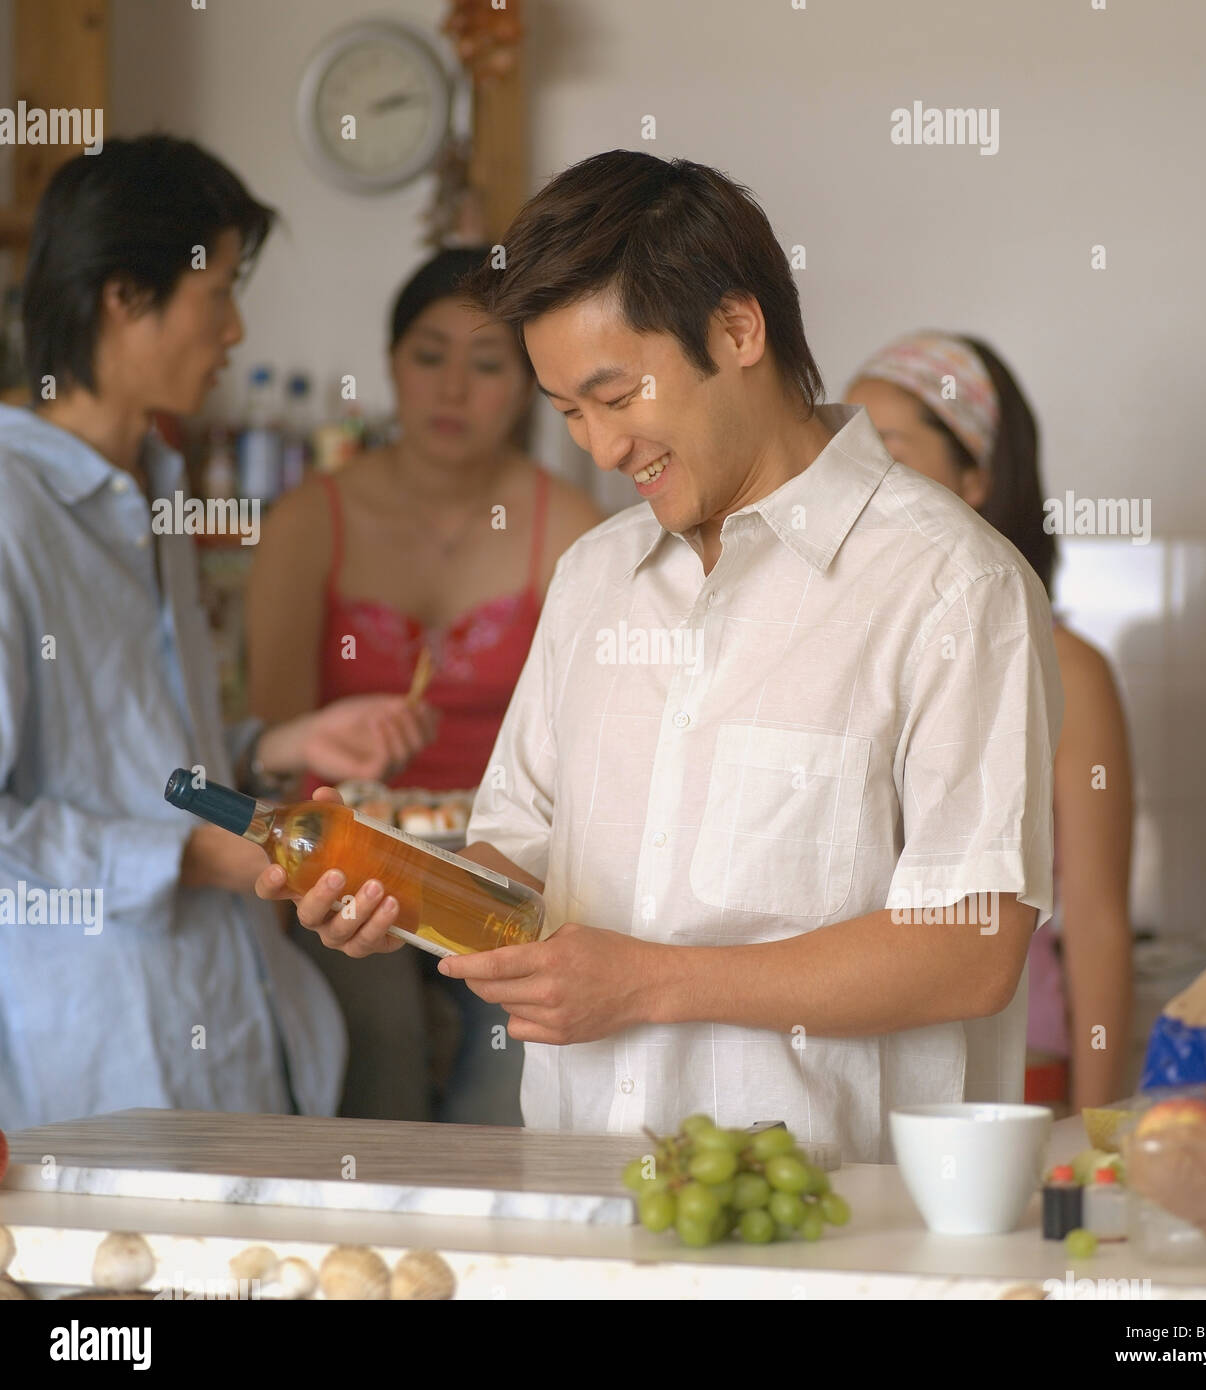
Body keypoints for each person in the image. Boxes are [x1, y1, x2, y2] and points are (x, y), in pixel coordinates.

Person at [256, 149, 1063, 1164]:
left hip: (831, 1236)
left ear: (736, 329)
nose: (598, 448)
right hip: (582, 1201)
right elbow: (515, 864)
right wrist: (395, 893)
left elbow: (968, 949)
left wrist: (647, 982)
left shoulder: (952, 586)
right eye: (566, 413)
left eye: (614, 395)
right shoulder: (596, 578)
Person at [0, 135, 433, 1132]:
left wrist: (280, 745)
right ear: (122, 295)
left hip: (238, 1025)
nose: (235, 330)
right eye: (219, 293)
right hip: (100, 1069)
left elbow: (146, 760)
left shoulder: (152, 484)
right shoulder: (14, 508)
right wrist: (196, 859)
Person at [244, 249, 604, 1125]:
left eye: (487, 366)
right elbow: (280, 729)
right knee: (378, 1044)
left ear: (527, 384)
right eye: (428, 356)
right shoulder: (308, 520)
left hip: (506, 862)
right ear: (392, 361)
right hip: (351, 850)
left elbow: (593, 740)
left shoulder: (572, 526)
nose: (453, 389)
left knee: (511, 1076)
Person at [845, 333, 1134, 1111]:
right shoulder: (839, 651)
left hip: (1003, 1083)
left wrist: (1098, 1138)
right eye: (843, 444)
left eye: (890, 448)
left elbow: (1101, 923)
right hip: (847, 1070)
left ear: (976, 477)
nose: (855, 478)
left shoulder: (1065, 666)